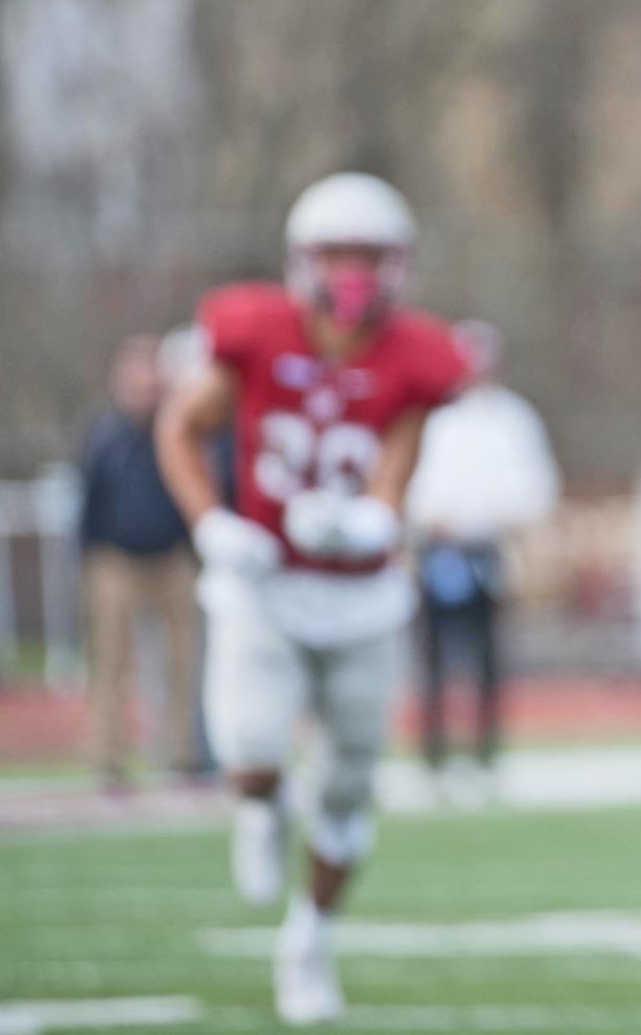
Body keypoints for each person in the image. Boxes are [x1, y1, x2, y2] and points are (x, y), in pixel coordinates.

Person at [155, 172, 467, 1026]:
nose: (353, 272)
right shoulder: (251, 331)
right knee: (251, 751)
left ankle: (310, 939)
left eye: (368, 254)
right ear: (303, 261)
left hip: (363, 601)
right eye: (338, 253)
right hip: (264, 584)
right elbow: (181, 427)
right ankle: (256, 807)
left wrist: (373, 519)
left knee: (344, 793)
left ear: (396, 263)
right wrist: (212, 522)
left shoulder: (418, 355)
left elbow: (394, 465)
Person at [404, 318, 560, 799]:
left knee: (488, 654)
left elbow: (534, 489)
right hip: (435, 546)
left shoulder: (512, 419)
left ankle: (484, 753)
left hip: (489, 547)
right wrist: (429, 519)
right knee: (430, 656)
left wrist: (492, 518)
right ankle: (433, 757)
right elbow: (406, 479)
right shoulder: (428, 415)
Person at [79, 334, 202, 791]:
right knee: (111, 665)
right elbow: (88, 499)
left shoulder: (178, 428)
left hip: (172, 557)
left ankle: (181, 755)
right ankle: (109, 760)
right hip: (115, 560)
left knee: (182, 663)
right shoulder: (103, 434)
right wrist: (88, 559)